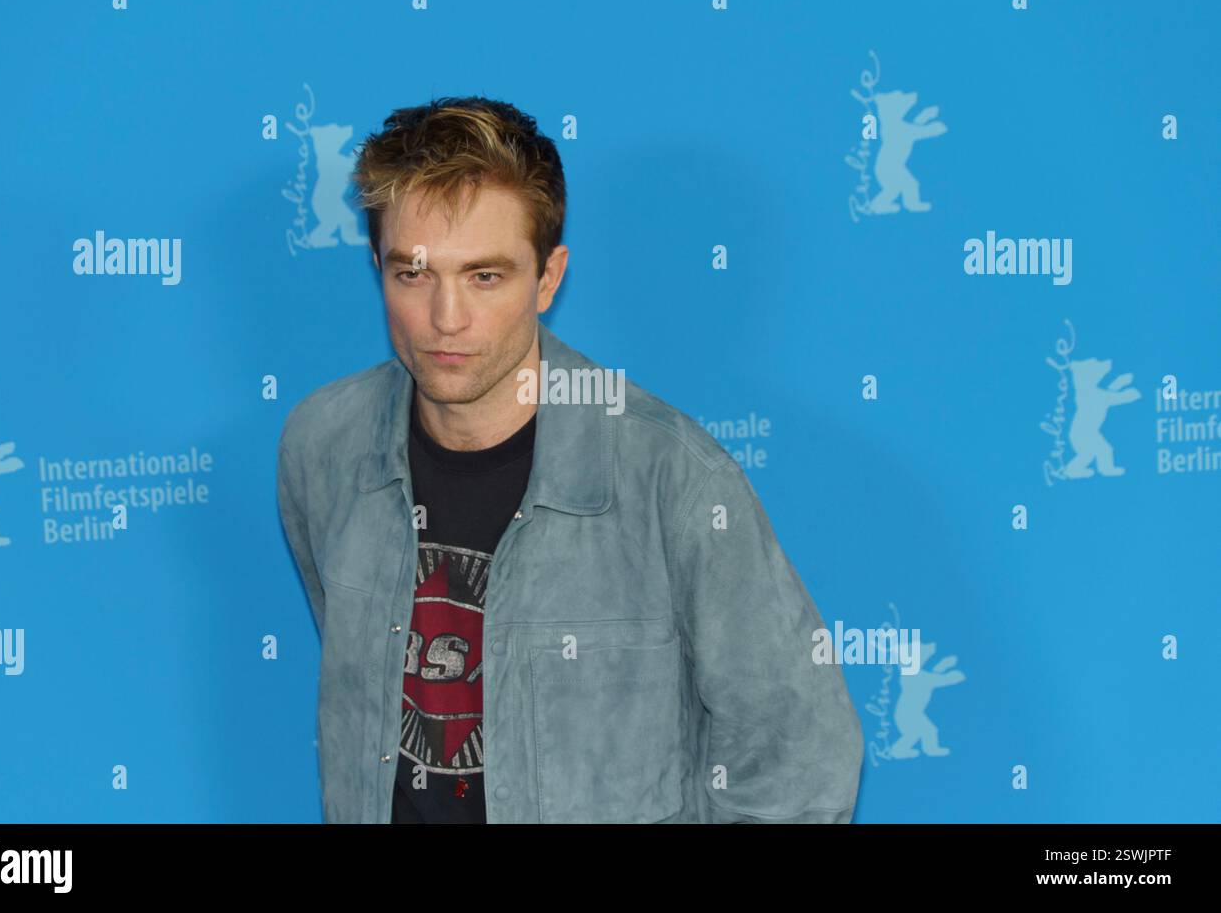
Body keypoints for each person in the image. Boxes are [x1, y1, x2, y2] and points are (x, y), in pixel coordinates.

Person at [276, 96, 863, 823]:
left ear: (548, 279)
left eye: (485, 276)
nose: (446, 318)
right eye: (413, 274)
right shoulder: (322, 446)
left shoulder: (671, 479)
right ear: (377, 267)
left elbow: (802, 761)